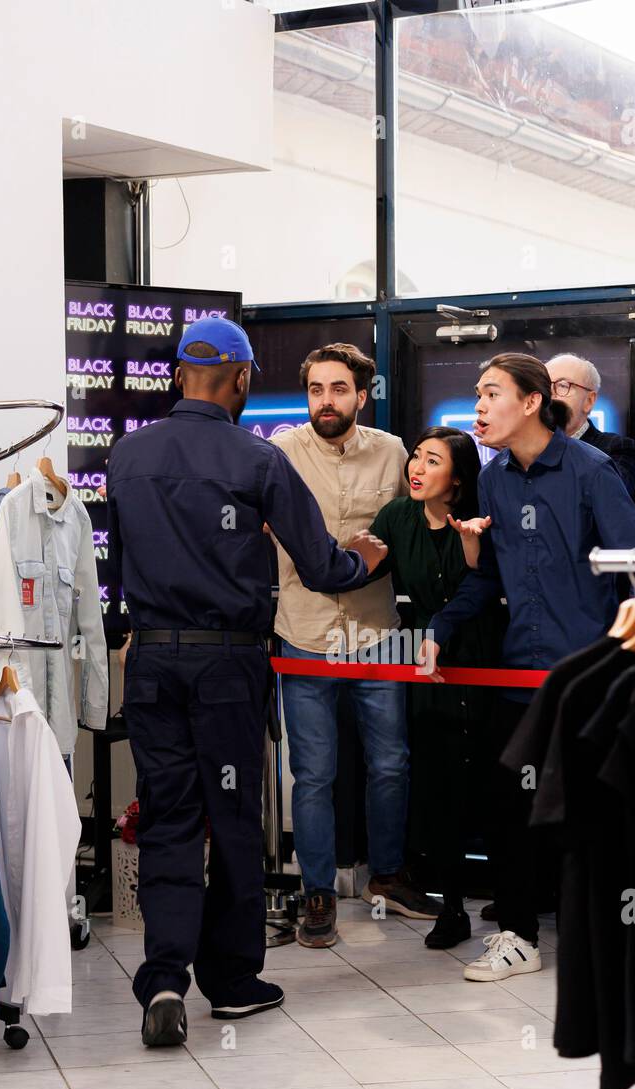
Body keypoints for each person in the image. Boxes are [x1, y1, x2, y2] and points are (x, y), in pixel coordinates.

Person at [107, 321, 387, 1047]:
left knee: (168, 818)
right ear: (240, 379)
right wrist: (367, 557)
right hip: (226, 664)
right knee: (232, 819)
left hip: (151, 662)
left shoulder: (127, 455)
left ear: (177, 376)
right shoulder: (256, 460)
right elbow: (323, 569)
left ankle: (164, 977)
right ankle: (230, 982)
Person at [417, 353, 635, 983]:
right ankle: (518, 937)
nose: (478, 406)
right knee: (508, 807)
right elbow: (490, 575)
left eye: (491, 393)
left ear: (531, 402)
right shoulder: (493, 479)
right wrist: (438, 630)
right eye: (476, 393)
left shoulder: (592, 470)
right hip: (519, 677)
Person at [273, 343, 437, 949]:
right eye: (317, 390)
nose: (326, 401)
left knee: (391, 763)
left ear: (361, 395)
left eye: (339, 389)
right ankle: (317, 891)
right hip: (305, 635)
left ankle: (387, 877)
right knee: (313, 774)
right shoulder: (281, 453)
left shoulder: (393, 452)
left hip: (376, 634)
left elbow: (415, 525)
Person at [369, 427, 506, 949]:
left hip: (484, 659)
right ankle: (451, 908)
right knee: (438, 785)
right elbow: (360, 569)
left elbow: (485, 582)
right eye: (416, 458)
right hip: (427, 668)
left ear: (457, 479)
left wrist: (473, 549)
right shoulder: (397, 517)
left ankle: (516, 894)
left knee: (496, 782)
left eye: (432, 461)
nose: (417, 468)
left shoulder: (479, 519)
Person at [545, 352, 635, 495]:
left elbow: (608, 498)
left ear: (589, 401)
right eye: (544, 385)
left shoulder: (617, 449)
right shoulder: (519, 449)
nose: (551, 394)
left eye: (563, 385)